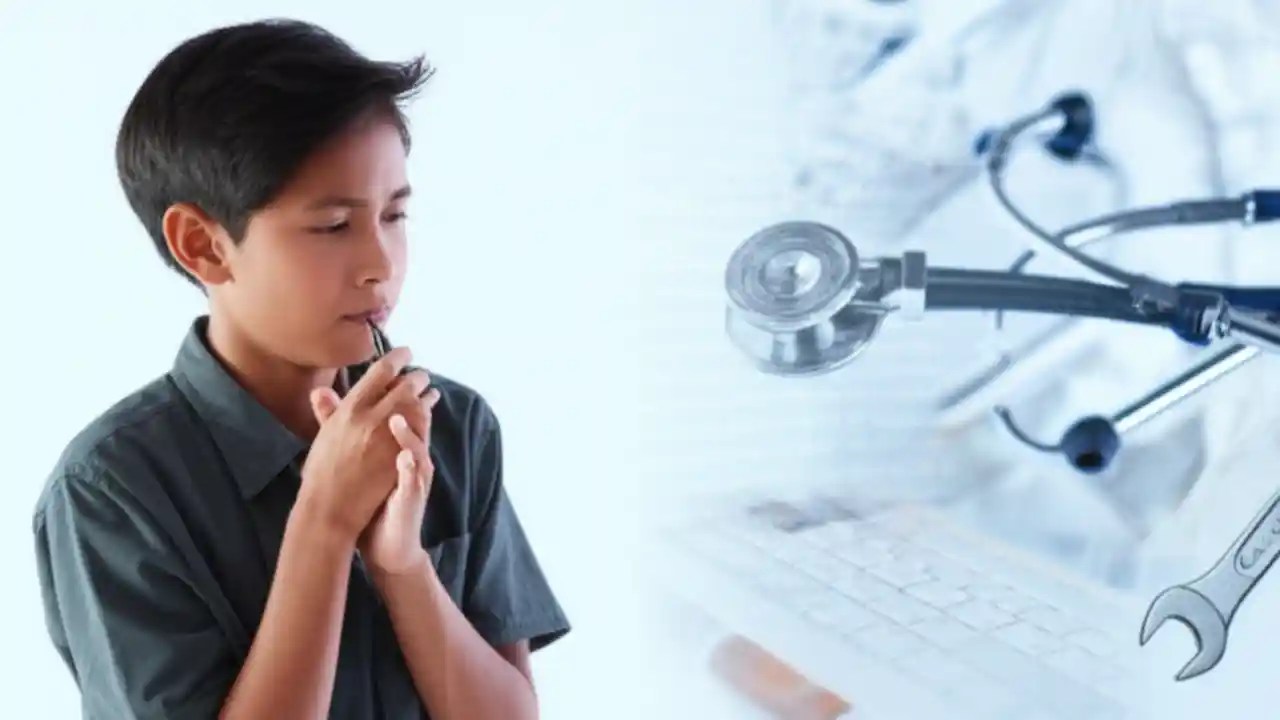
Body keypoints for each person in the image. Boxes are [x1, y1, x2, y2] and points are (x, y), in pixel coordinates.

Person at [31, 18, 570, 719]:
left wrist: (403, 567)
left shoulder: (450, 426)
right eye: (334, 226)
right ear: (204, 245)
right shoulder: (113, 489)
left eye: (396, 215)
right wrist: (323, 519)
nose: (381, 264)